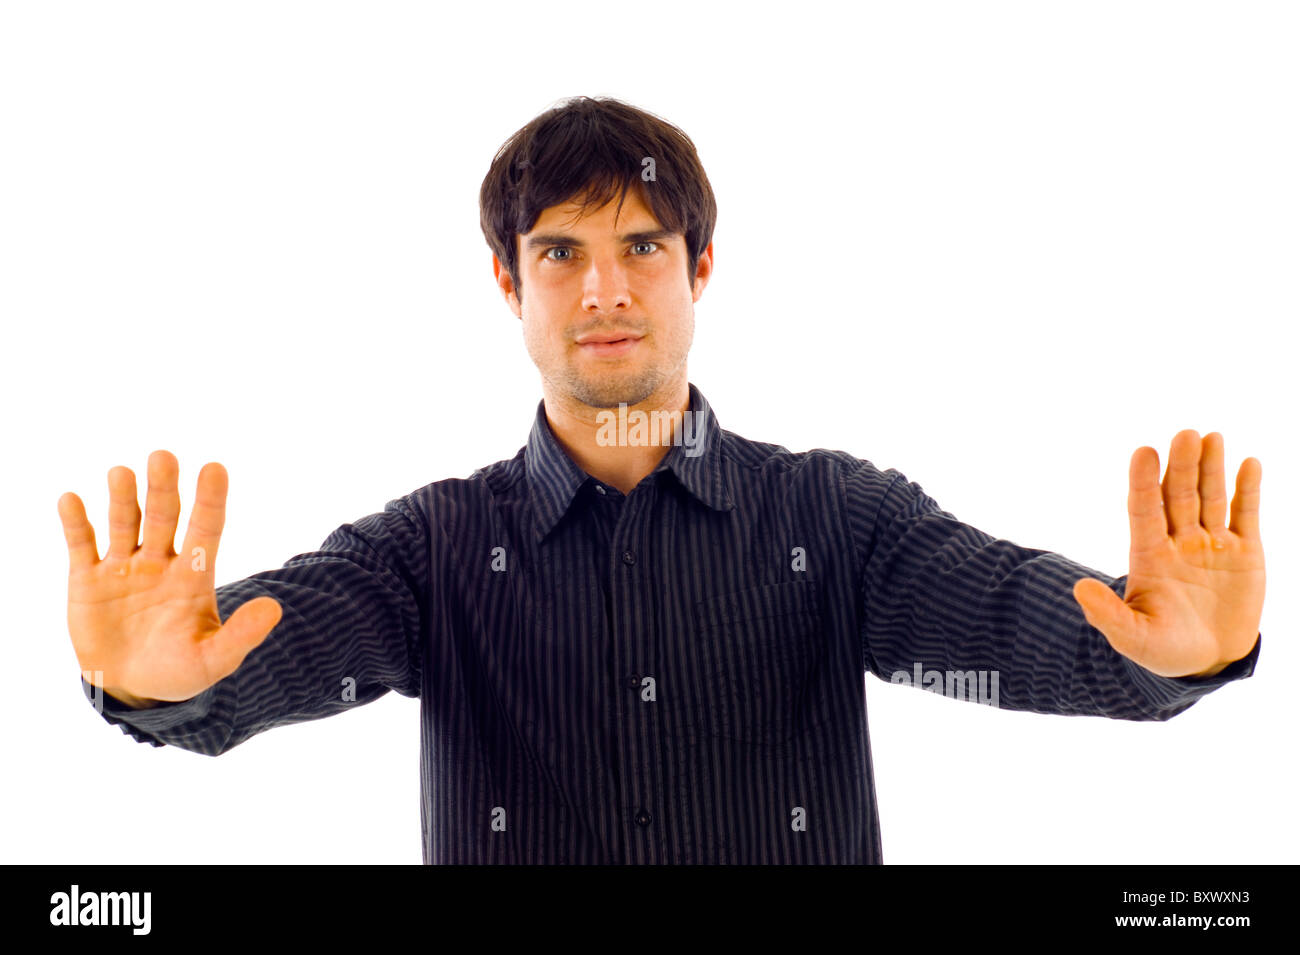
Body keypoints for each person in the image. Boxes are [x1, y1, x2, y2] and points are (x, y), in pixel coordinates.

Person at [60, 96, 1265, 864]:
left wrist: (1163, 652)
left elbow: (1010, 619)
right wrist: (163, 688)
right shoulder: (431, 548)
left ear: (700, 267)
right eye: (560, 253)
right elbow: (260, 653)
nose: (604, 291)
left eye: (641, 246)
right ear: (506, 283)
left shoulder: (833, 519)